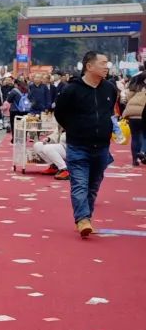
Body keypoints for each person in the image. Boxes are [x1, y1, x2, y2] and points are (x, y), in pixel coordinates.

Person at [54, 50, 120, 237]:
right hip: (78, 145)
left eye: (107, 63)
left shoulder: (109, 88)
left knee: (93, 185)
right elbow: (60, 113)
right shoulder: (71, 89)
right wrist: (74, 129)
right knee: (80, 184)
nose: (106, 67)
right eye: (103, 63)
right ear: (89, 66)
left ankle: (86, 218)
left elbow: (109, 112)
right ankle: (82, 219)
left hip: (101, 146)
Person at [122, 74, 145, 167]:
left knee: (135, 137)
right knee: (144, 135)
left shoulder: (134, 86)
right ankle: (143, 152)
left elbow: (126, 98)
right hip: (143, 113)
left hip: (132, 115)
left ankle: (135, 159)